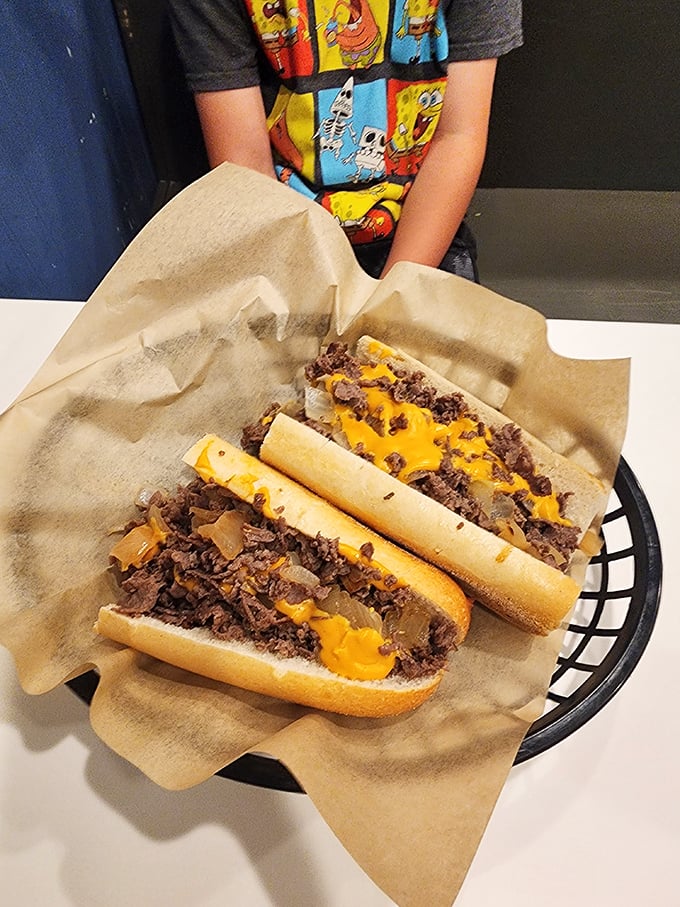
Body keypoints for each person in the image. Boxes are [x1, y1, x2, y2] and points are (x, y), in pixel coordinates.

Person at [167, 0, 522, 280]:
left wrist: (392, 295)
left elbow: (457, 138)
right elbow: (244, 167)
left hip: (417, 234)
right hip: (280, 240)